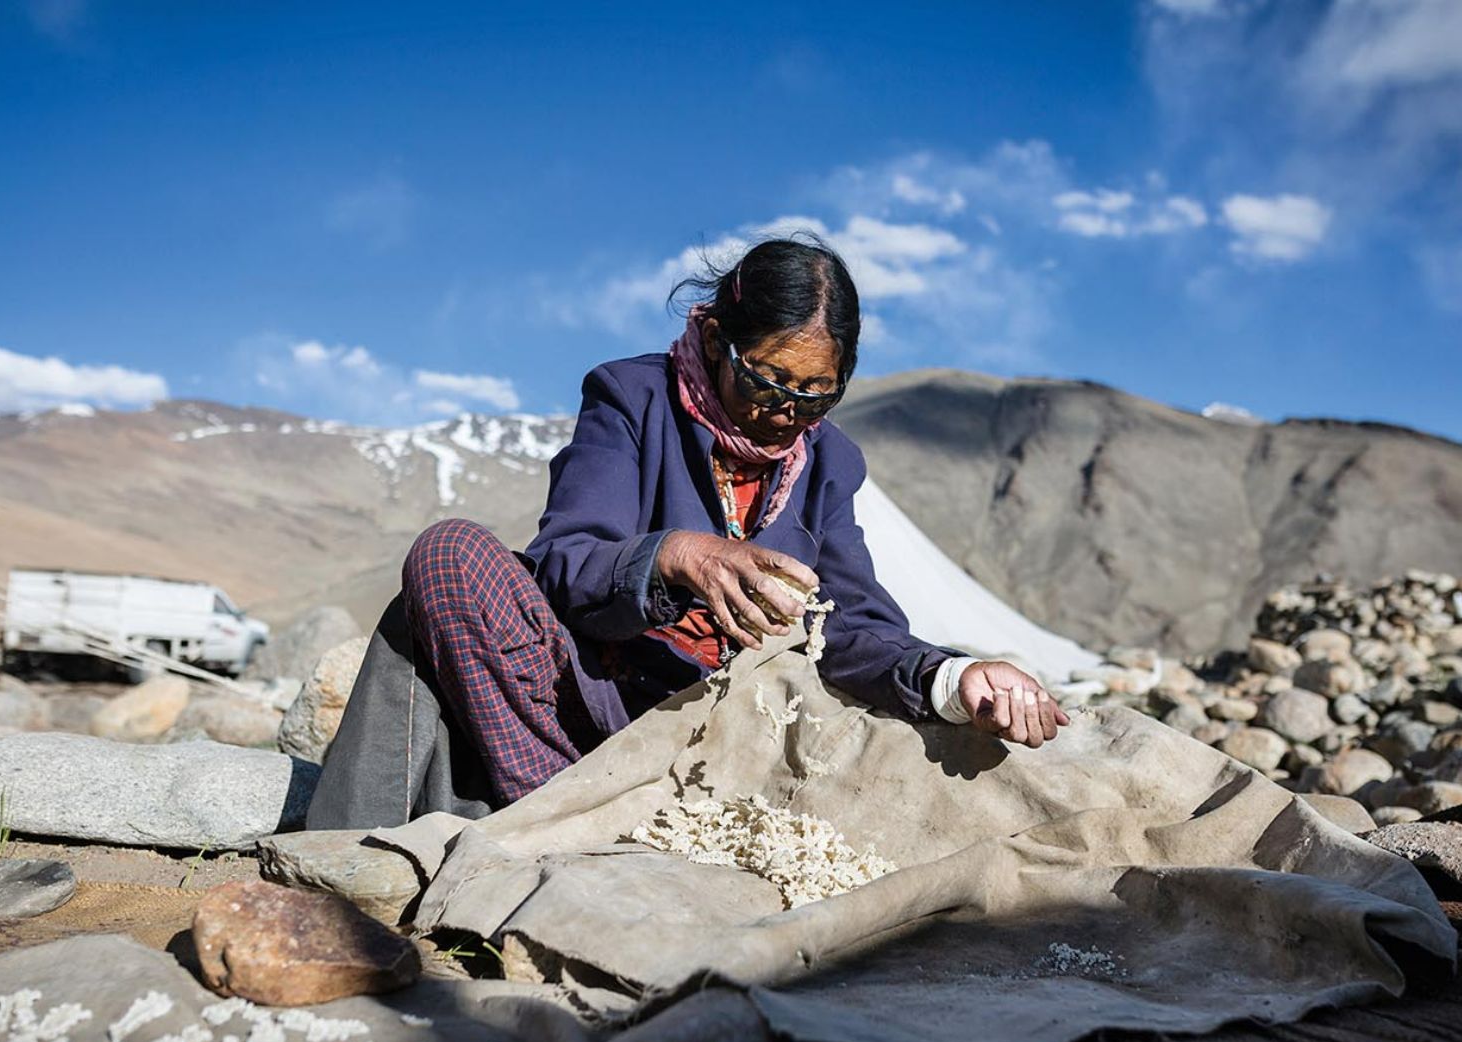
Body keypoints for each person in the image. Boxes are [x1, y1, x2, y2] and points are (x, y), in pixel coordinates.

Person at [305, 236, 1065, 826]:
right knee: (450, 559)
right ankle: (560, 807)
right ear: (712, 340)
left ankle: (566, 818)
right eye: (766, 381)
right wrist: (675, 555)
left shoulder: (830, 461)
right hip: (593, 701)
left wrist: (954, 677)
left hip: (723, 736)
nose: (783, 414)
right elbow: (565, 561)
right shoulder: (631, 397)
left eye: (814, 395)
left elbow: (857, 622)